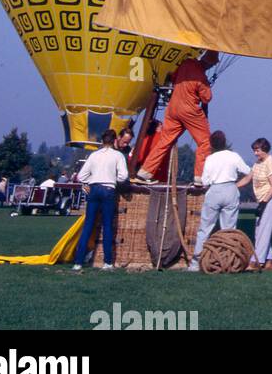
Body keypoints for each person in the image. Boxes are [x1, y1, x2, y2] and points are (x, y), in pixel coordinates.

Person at [137, 53, 217, 185]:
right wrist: (206, 84)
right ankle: (199, 177)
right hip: (189, 110)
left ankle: (145, 171)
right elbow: (207, 98)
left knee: (165, 140)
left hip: (173, 108)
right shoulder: (201, 77)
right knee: (205, 142)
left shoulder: (186, 63)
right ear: (209, 63)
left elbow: (173, 78)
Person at [188, 130, 251, 272]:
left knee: (205, 228)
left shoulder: (210, 159)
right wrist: (237, 185)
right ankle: (229, 262)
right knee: (229, 231)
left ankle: (195, 264)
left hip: (214, 191)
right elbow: (248, 172)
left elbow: (204, 181)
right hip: (231, 190)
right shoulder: (233, 156)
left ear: (212, 144)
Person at [72, 130, 129, 271]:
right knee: (108, 226)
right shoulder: (118, 156)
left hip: (94, 188)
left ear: (102, 141)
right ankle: (107, 262)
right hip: (108, 190)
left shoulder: (94, 155)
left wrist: (92, 180)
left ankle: (78, 262)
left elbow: (81, 177)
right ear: (115, 140)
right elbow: (124, 176)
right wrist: (112, 179)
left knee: (88, 225)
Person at [249, 138, 272, 270]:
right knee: (259, 230)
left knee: (263, 230)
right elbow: (248, 177)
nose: (255, 153)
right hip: (262, 199)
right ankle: (269, 260)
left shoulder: (270, 163)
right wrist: (234, 186)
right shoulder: (258, 164)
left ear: (265, 149)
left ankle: (257, 261)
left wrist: (264, 203)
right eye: (254, 150)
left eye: (257, 150)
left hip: (270, 199)